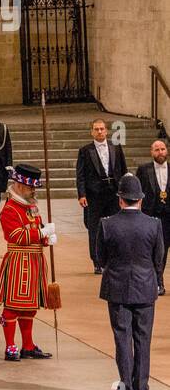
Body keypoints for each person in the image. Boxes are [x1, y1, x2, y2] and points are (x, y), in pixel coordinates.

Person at [97, 173, 164, 390]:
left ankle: (125, 389)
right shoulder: (154, 225)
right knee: (143, 339)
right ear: (141, 200)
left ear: (120, 199)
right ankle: (142, 389)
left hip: (117, 286)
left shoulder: (107, 224)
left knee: (122, 338)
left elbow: (100, 258)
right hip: (145, 287)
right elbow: (159, 259)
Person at [0, 164, 56, 362]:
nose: (33, 190)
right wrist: (41, 233)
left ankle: (28, 345)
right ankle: (10, 346)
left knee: (30, 306)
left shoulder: (30, 206)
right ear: (19, 185)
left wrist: (46, 238)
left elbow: (37, 227)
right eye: (31, 187)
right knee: (13, 305)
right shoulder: (10, 209)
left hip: (34, 260)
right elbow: (16, 236)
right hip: (19, 262)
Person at [76, 117, 127, 274]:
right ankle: (97, 261)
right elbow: (80, 175)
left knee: (115, 227)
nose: (99, 131)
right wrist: (82, 194)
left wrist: (125, 193)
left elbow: (124, 170)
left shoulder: (116, 148)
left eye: (102, 129)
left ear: (106, 130)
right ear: (91, 132)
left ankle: (113, 259)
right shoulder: (85, 151)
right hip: (94, 195)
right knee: (95, 229)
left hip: (113, 193)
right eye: (96, 129)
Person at [136, 139, 170, 295]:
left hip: (169, 218)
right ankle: (158, 282)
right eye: (156, 149)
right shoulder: (143, 170)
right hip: (151, 217)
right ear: (151, 152)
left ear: (167, 151)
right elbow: (137, 193)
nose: (160, 152)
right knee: (156, 252)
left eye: (162, 149)